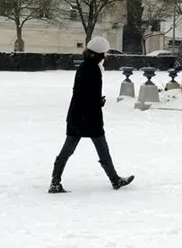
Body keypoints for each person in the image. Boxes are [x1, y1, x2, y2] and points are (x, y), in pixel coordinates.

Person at [49, 36, 134, 194]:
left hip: (77, 115)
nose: (105, 56)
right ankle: (115, 180)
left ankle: (55, 182)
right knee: (102, 148)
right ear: (98, 54)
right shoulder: (93, 69)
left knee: (68, 149)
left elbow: (81, 92)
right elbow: (87, 94)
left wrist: (95, 101)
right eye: (104, 53)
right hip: (89, 116)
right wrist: (98, 103)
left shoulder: (84, 67)